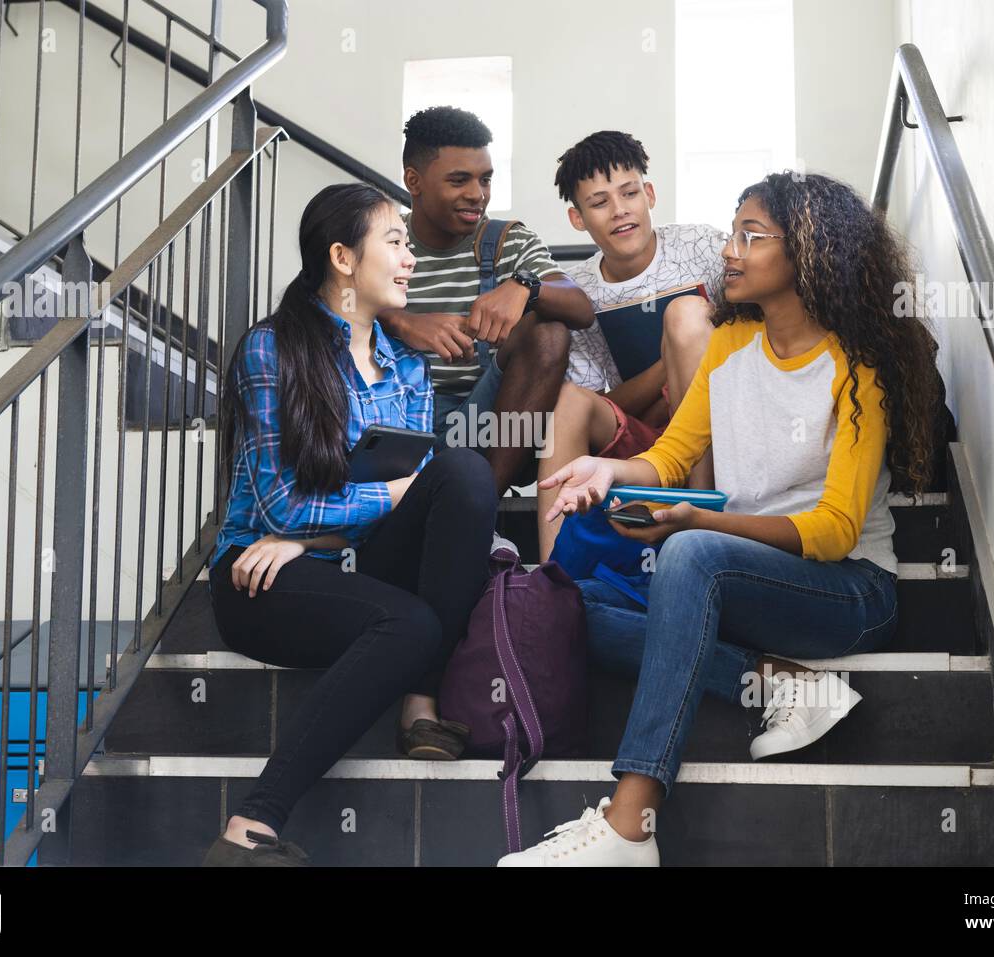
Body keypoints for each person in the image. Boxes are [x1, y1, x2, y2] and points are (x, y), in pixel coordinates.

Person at [499, 172, 942, 866]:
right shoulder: (732, 345)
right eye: (733, 231)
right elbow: (675, 454)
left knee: (691, 556)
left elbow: (834, 531)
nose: (729, 250)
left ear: (808, 253)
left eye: (751, 236)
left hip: (849, 589)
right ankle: (782, 679)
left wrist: (694, 529)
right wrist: (608, 471)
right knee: (572, 603)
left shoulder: (858, 367)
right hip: (743, 586)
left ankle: (630, 825)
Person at [201, 183, 497, 867]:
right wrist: (364, 507)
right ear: (342, 256)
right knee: (411, 622)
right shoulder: (270, 350)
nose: (410, 259)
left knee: (465, 474)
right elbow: (280, 506)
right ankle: (248, 829)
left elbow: (402, 499)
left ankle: (420, 697)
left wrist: (317, 533)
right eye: (394, 242)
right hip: (258, 578)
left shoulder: (409, 370)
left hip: (337, 558)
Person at [377, 105, 596, 495]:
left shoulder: (506, 241)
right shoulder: (380, 239)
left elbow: (581, 308)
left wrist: (526, 285)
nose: (477, 195)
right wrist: (398, 320)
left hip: (490, 426)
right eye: (459, 180)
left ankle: (483, 506)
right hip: (400, 422)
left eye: (486, 179)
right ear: (414, 180)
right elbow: (321, 310)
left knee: (549, 331)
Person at [538, 130, 725, 558]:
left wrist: (683, 350)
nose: (620, 211)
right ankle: (550, 574)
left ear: (650, 194)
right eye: (600, 202)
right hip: (643, 438)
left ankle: (702, 512)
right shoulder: (578, 290)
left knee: (687, 314)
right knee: (567, 399)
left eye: (630, 193)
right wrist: (668, 364)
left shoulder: (703, 247)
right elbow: (603, 401)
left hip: (716, 430)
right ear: (578, 218)